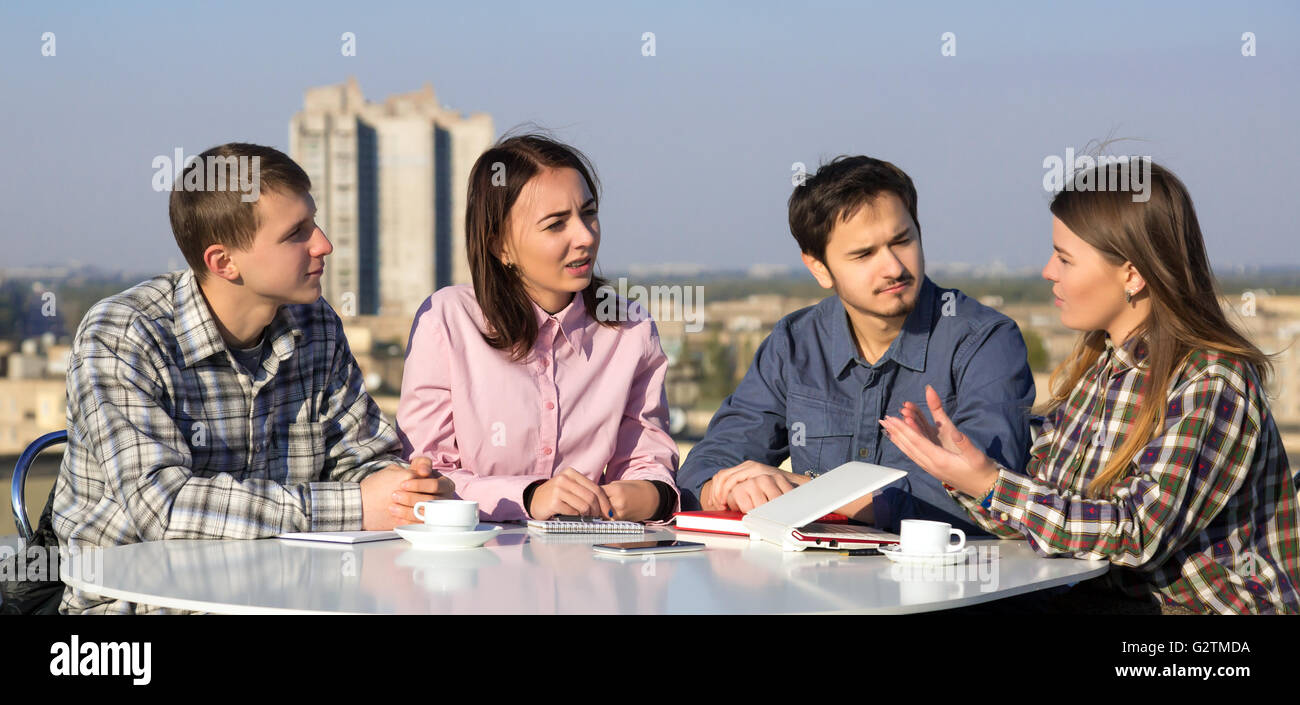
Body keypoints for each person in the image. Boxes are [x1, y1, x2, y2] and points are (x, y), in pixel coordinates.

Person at [881, 161, 1300, 614]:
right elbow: (1049, 512)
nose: (1047, 271)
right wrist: (965, 471)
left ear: (1133, 276)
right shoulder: (1101, 366)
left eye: (1064, 258)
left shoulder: (1213, 382)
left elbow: (1137, 534)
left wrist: (990, 483)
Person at [51, 143, 454, 614]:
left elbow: (360, 458)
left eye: (315, 222)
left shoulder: (315, 323)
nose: (323, 243)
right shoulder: (126, 334)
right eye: (296, 233)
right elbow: (163, 506)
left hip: (290, 596)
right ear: (224, 262)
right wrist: (358, 505)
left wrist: (405, 491)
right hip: (142, 607)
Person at [675, 156, 1036, 535]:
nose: (894, 267)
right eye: (864, 254)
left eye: (903, 240)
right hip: (815, 586)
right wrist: (726, 488)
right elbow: (708, 462)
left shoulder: (985, 342)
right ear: (818, 268)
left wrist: (813, 493)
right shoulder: (795, 344)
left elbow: (988, 497)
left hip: (960, 589)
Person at [395, 133, 679, 523]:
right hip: (476, 571)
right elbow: (427, 478)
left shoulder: (632, 329)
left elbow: (649, 462)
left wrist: (644, 494)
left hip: (595, 568)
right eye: (555, 224)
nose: (585, 236)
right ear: (500, 247)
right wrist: (529, 497)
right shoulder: (446, 321)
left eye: (589, 213)